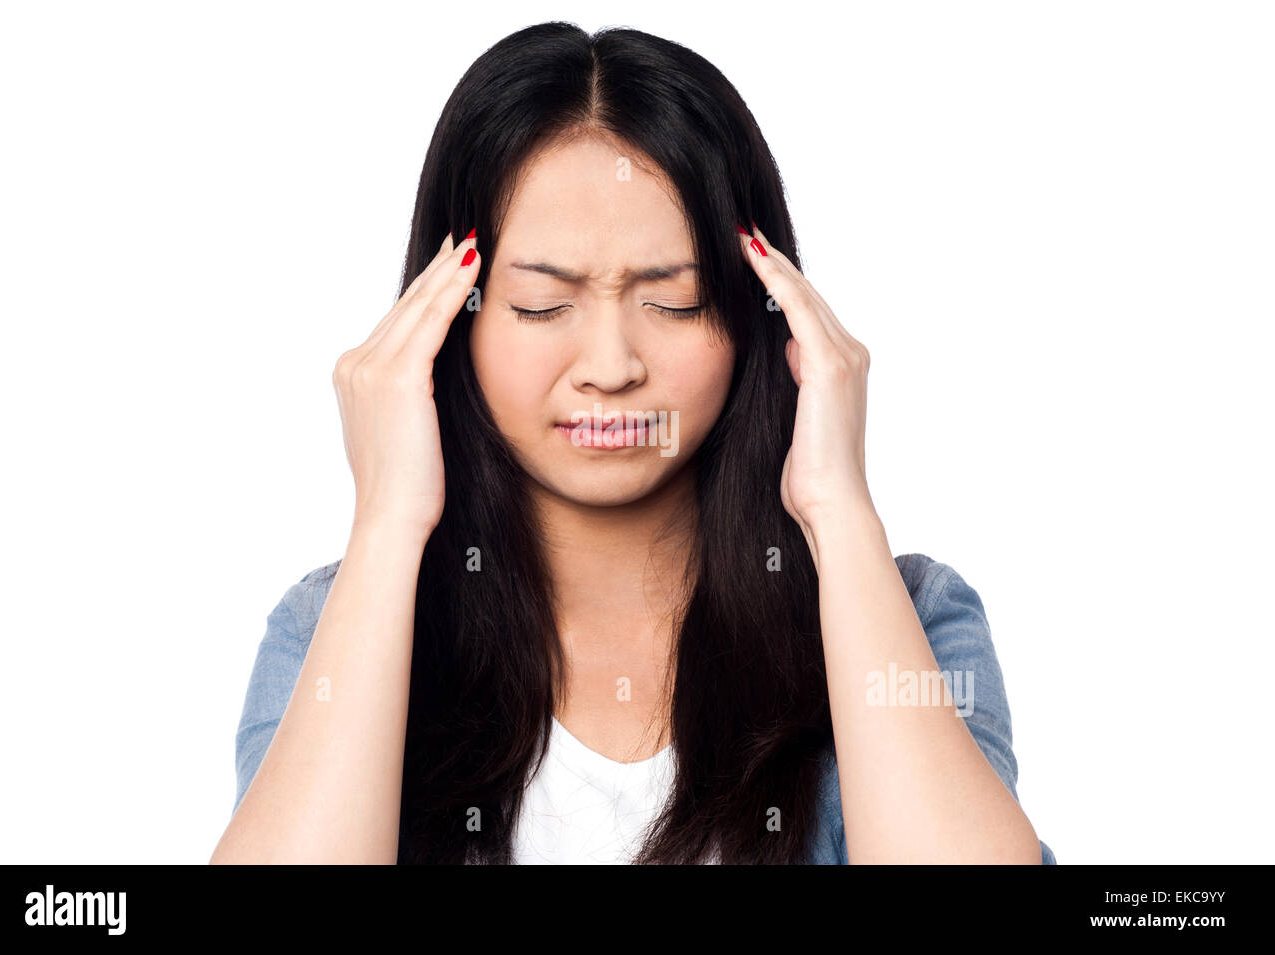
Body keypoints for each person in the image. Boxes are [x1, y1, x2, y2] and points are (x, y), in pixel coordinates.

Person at [210, 21, 1056, 865]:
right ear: (445, 320)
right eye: (543, 305)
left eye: (676, 300)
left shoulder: (908, 616)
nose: (610, 368)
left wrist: (838, 513)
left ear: (759, 307)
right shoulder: (331, 624)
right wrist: (388, 522)